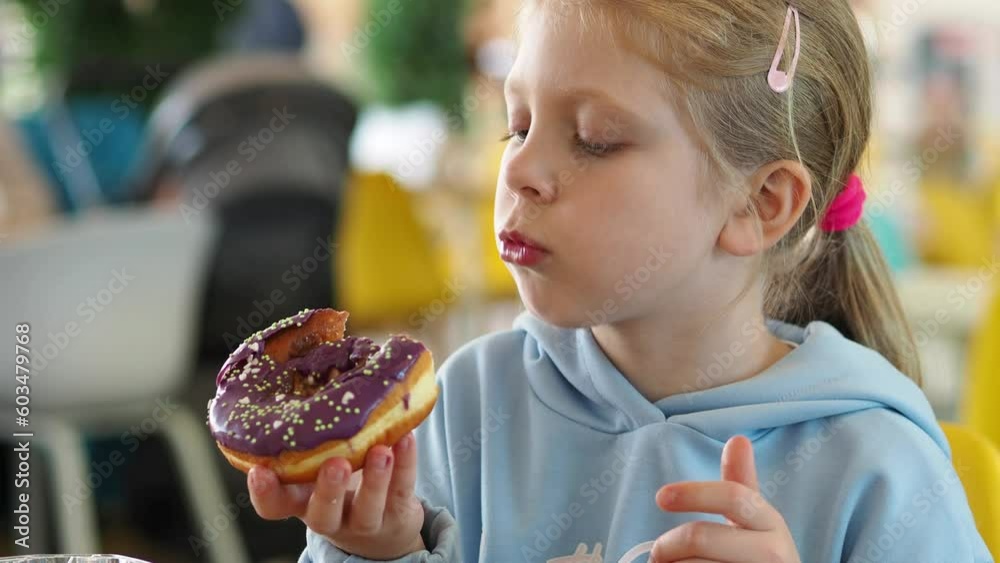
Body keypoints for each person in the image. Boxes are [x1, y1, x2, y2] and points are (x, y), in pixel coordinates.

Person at [246, 1, 993, 561]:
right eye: (518, 125)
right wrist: (379, 550)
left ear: (759, 204)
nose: (520, 169)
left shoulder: (880, 470)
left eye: (594, 140)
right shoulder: (465, 407)